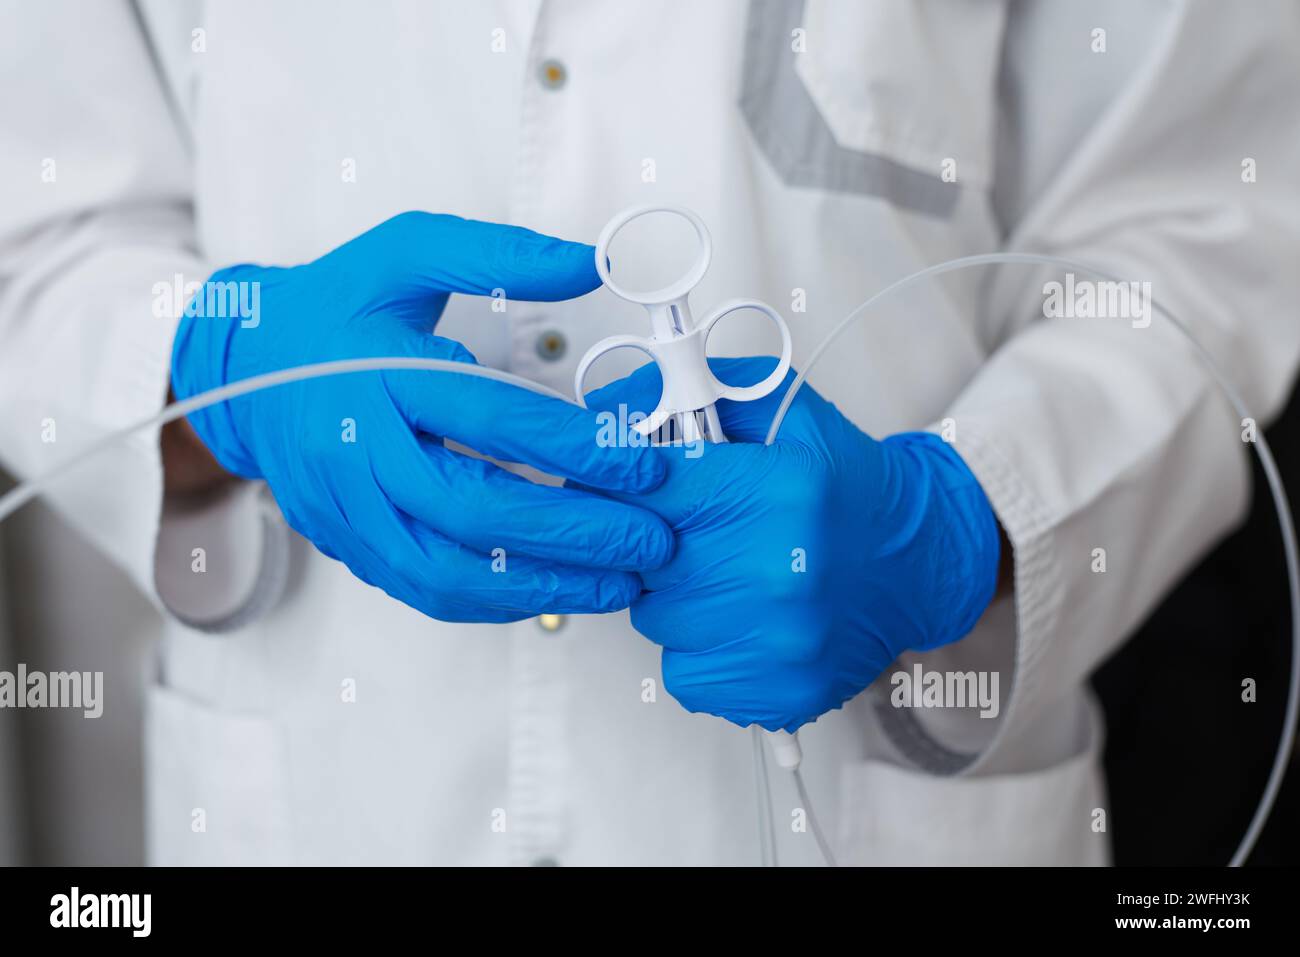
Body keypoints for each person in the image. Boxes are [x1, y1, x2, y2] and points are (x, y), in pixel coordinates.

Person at [1, 0, 1297, 866]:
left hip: (866, 791)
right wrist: (219, 360)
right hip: (335, 793)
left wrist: (963, 518)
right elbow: (41, 225)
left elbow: (1198, 233)